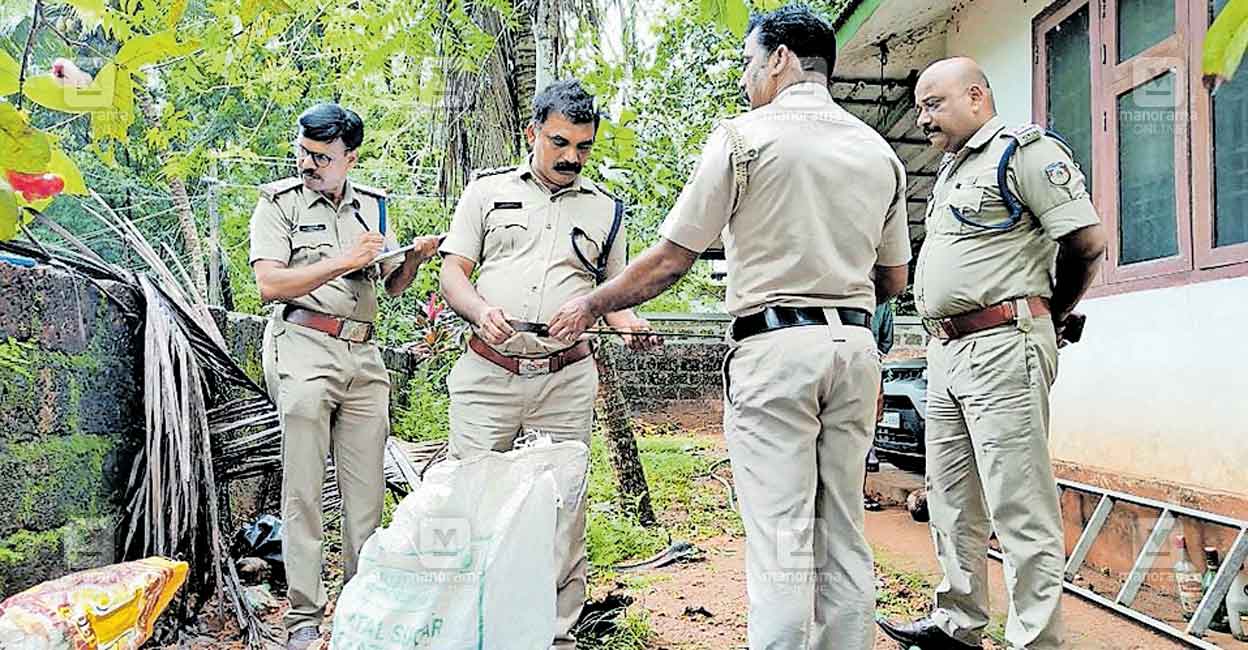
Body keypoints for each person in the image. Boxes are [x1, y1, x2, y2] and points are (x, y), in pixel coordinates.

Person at [546, 6, 911, 647]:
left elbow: (671, 259)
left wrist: (591, 304)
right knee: (843, 527)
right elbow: (894, 280)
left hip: (776, 350)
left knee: (781, 534)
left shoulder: (744, 138)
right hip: (855, 352)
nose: (746, 77)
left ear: (780, 59)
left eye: (749, 62)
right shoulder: (879, 152)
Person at [876, 57, 1107, 650]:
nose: (922, 118)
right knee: (952, 498)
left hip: (1004, 344)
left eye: (933, 104)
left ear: (977, 96)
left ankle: (1035, 641)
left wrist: (1051, 312)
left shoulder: (1023, 152)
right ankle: (958, 624)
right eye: (919, 107)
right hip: (946, 350)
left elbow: (1086, 242)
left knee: (1018, 505)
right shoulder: (953, 168)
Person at [437, 79, 656, 650]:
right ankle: (470, 625)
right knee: (470, 500)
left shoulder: (606, 209)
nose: (571, 157)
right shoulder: (485, 192)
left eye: (583, 147)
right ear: (531, 132)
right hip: (488, 373)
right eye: (559, 142)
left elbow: (612, 292)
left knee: (564, 504)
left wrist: (628, 323)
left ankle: (556, 632)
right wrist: (479, 311)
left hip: (566, 378)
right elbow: (452, 272)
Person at [248, 103, 441, 650]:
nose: (308, 163)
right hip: (303, 345)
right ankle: (304, 618)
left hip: (363, 355)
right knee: (304, 489)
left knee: (366, 497)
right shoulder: (278, 204)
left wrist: (413, 259)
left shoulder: (372, 206)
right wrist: (343, 259)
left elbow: (391, 284)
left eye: (322, 156)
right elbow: (270, 285)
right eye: (303, 151)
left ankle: (360, 612)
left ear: (349, 159)